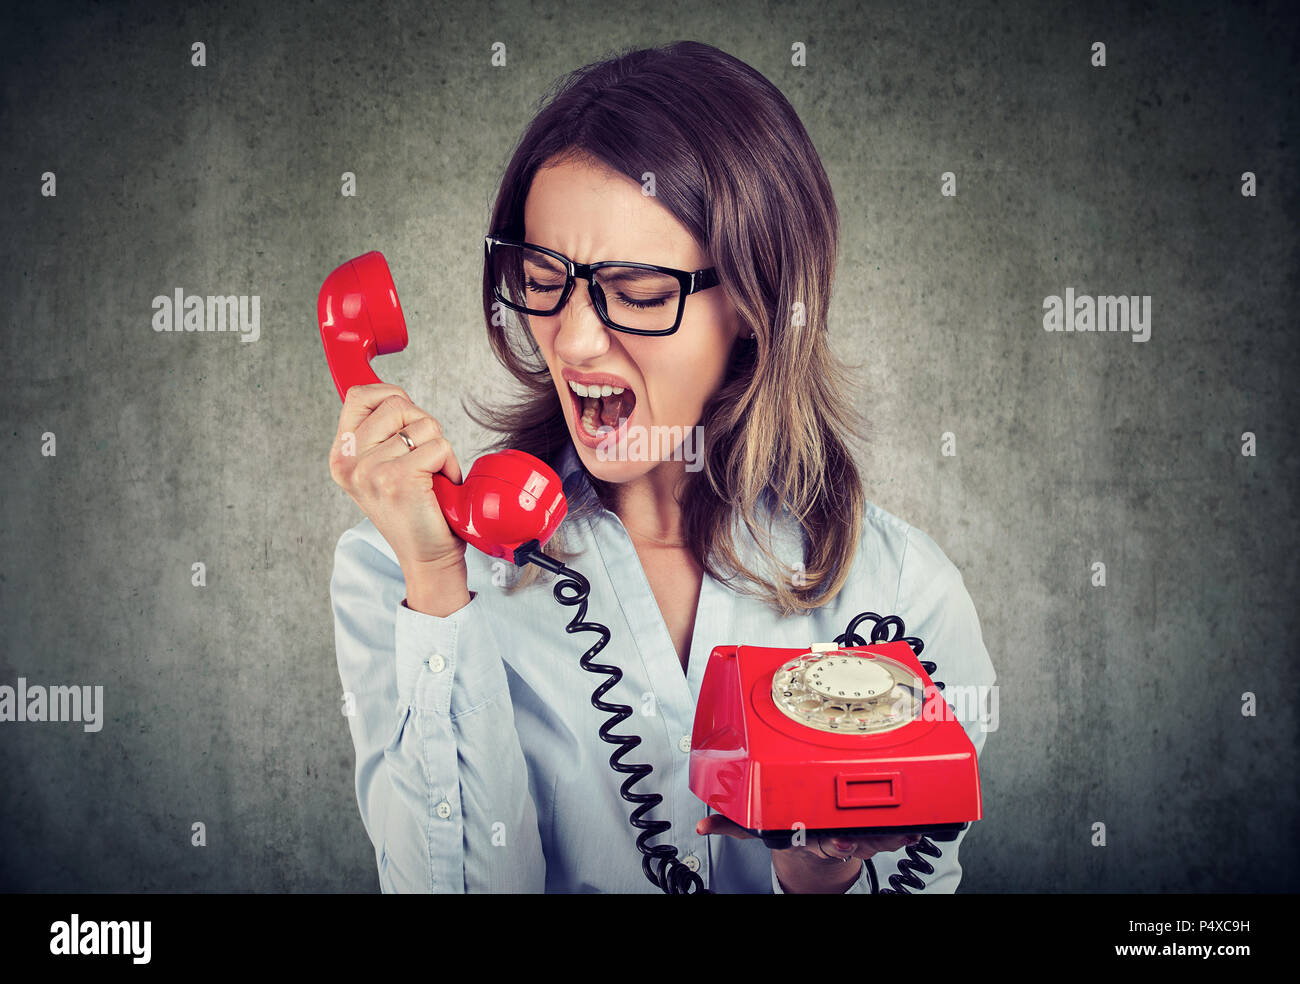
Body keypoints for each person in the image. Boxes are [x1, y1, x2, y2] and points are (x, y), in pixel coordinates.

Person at [328, 40, 995, 893]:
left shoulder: (904, 595)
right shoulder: (396, 573)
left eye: (638, 294)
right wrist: (435, 585)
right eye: (541, 278)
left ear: (755, 301)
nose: (572, 339)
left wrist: (816, 875)